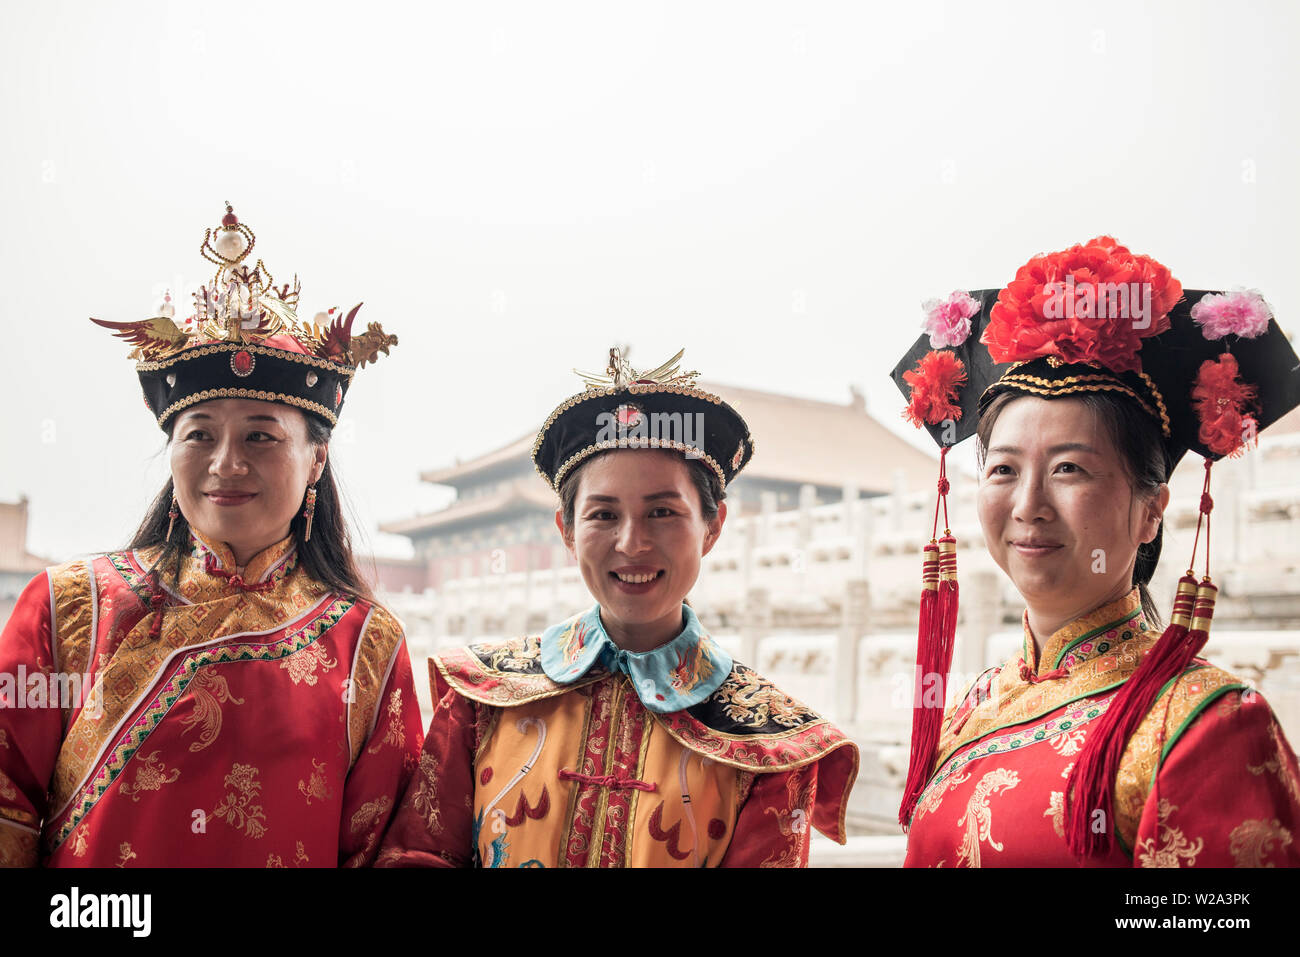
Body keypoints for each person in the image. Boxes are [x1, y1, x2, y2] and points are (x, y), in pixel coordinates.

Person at [0, 204, 421, 867]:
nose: (227, 461)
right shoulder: (68, 608)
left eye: (261, 433)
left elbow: (386, 851)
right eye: (200, 433)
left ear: (316, 457)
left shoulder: (367, 646)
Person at [890, 237, 1300, 866]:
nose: (1029, 504)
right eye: (1002, 470)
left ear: (1151, 510)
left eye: (1070, 469)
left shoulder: (1203, 726)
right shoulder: (975, 705)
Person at [378, 348, 859, 867]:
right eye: (603, 514)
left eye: (662, 511)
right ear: (566, 531)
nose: (631, 543)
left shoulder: (768, 744)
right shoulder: (482, 697)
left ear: (712, 526)